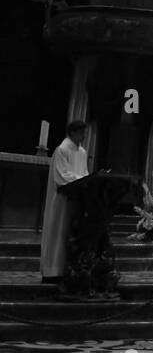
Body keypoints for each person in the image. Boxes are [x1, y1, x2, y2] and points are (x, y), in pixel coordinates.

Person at [40, 119, 89, 283]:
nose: (84, 136)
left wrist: (87, 181)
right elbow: (62, 176)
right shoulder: (62, 150)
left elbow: (84, 173)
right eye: (81, 132)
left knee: (69, 234)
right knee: (58, 233)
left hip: (75, 199)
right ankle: (52, 270)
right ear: (73, 132)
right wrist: (83, 180)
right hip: (62, 200)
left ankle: (68, 269)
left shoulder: (81, 151)